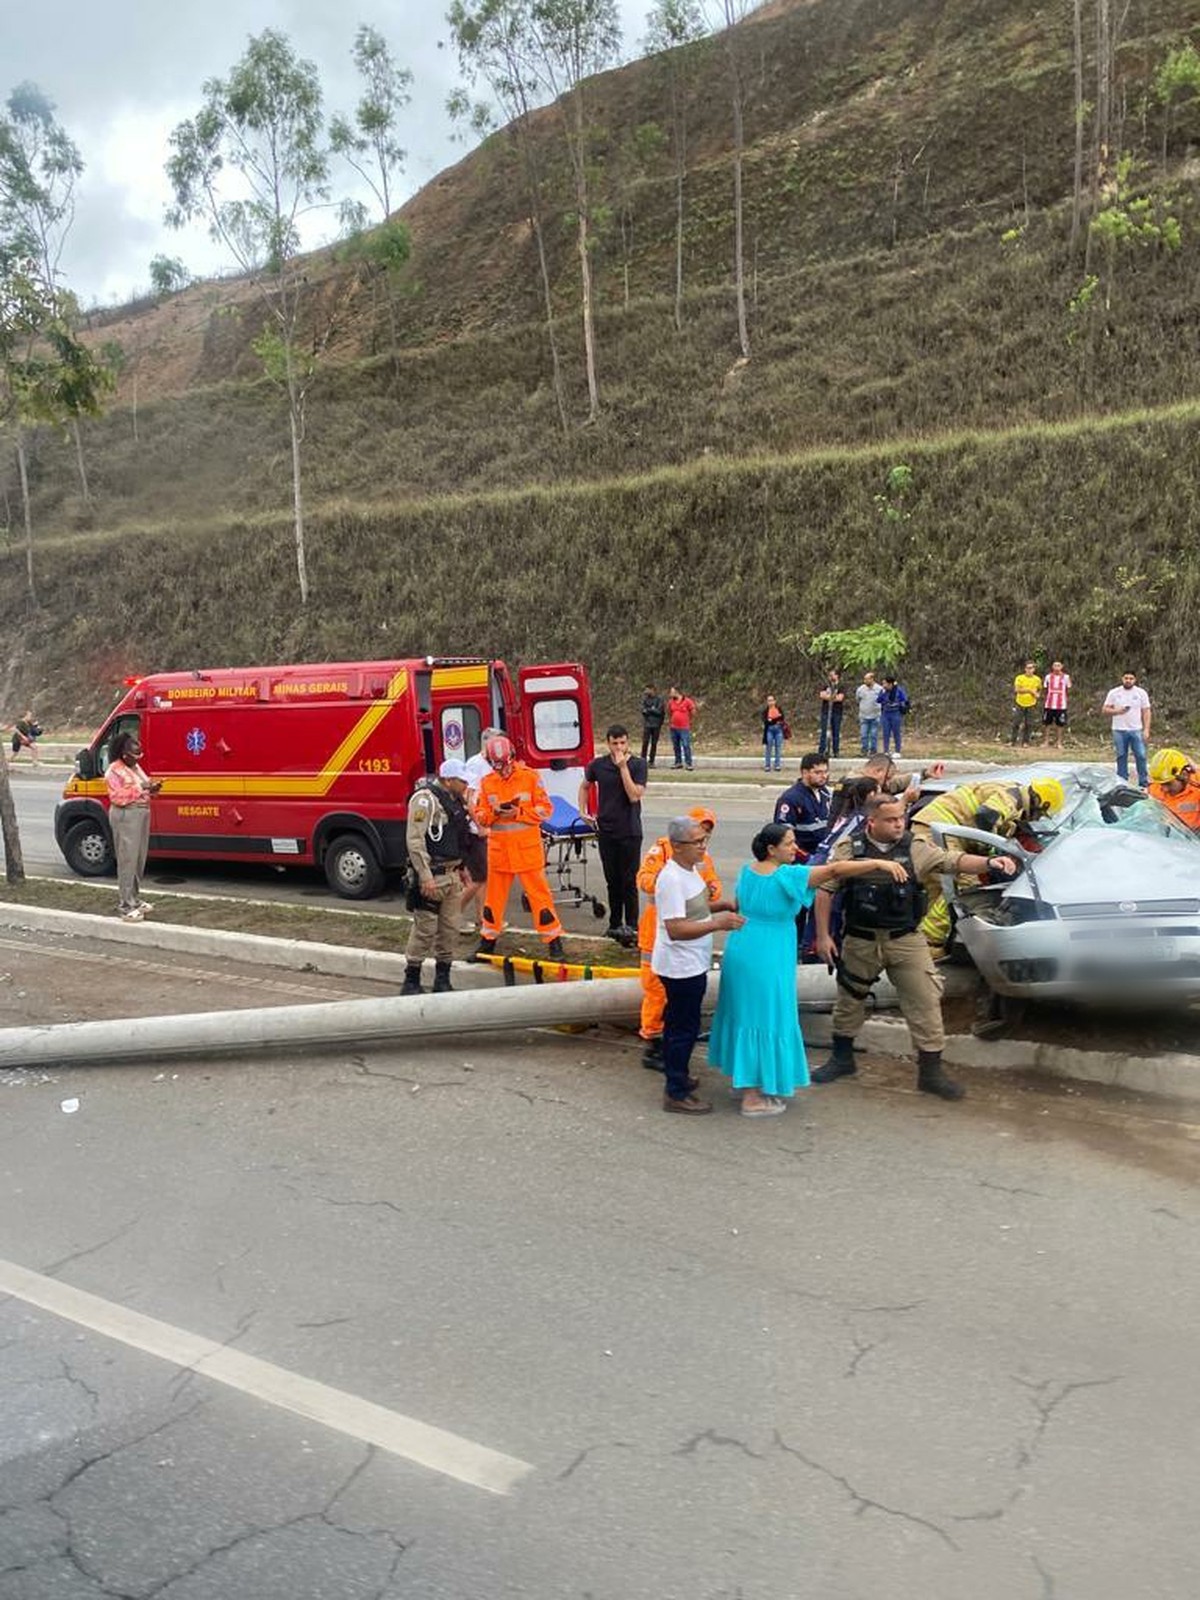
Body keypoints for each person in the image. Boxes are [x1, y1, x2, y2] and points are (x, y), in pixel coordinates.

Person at [812, 794, 1019, 1100]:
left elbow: (953, 861)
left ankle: (930, 1073)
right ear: (872, 822)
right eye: (892, 819)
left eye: (902, 817)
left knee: (925, 1000)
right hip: (860, 939)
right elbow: (826, 889)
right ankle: (842, 1059)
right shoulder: (850, 849)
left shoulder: (916, 847)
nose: (900, 824)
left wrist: (990, 862)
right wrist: (823, 936)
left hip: (906, 940)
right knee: (849, 1000)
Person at [709, 822, 910, 1117]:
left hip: (743, 946)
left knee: (745, 1012)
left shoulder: (747, 871)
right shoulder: (788, 876)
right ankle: (752, 1096)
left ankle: (745, 1080)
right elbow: (834, 871)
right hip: (769, 951)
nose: (795, 848)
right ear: (771, 849)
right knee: (767, 1016)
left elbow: (741, 903)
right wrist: (878, 862)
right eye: (789, 844)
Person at [651, 816, 744, 1114]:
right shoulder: (671, 879)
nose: (703, 847)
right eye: (697, 842)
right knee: (683, 1028)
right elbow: (677, 928)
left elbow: (695, 908)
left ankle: (677, 1075)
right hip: (680, 967)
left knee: (679, 1024)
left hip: (692, 962)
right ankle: (675, 1092)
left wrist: (721, 906)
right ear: (677, 846)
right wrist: (718, 923)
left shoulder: (690, 871)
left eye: (705, 840)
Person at [910, 776, 1065, 950]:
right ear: (1040, 804)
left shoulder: (1012, 795)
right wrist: (989, 852)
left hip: (934, 826)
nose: (1035, 819)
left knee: (940, 889)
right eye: (1040, 814)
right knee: (963, 888)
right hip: (943, 829)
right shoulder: (1012, 797)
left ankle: (926, 942)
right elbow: (986, 816)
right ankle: (929, 943)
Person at [636, 806, 723, 1070]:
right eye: (700, 831)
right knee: (655, 991)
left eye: (707, 832)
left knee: (676, 1004)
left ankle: (671, 1046)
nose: (704, 838)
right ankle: (652, 1042)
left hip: (688, 937)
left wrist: (712, 891)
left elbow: (713, 888)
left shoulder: (701, 857)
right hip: (657, 931)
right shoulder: (665, 852)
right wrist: (672, 882)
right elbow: (644, 879)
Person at [472, 734, 565, 960]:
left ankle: (554, 941)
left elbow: (546, 810)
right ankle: (487, 942)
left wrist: (519, 813)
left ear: (512, 757)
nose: (501, 771)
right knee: (493, 900)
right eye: (497, 767)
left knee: (540, 898)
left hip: (526, 851)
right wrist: (494, 813)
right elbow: (480, 816)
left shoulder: (530, 778)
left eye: (504, 766)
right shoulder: (487, 782)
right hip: (500, 853)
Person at [402, 758, 472, 995]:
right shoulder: (425, 800)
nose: (465, 785)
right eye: (462, 781)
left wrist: (462, 868)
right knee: (425, 929)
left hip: (452, 875)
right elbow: (415, 839)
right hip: (433, 876)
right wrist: (424, 875)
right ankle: (411, 979)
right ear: (448, 779)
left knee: (450, 929)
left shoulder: (455, 801)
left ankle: (443, 978)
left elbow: (458, 837)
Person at [579, 723, 647, 946]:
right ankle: (615, 924)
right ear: (607, 743)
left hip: (629, 831)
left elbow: (634, 796)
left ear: (628, 743)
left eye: (622, 743)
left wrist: (623, 768)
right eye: (614, 743)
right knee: (612, 881)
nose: (619, 747)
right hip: (606, 830)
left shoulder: (637, 765)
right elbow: (585, 785)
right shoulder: (597, 765)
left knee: (629, 881)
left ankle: (632, 926)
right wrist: (583, 811)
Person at [104, 730, 162, 922]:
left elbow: (143, 787)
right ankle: (125, 905)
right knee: (127, 859)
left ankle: (134, 899)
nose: (138, 758)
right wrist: (143, 788)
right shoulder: (114, 770)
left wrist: (153, 788)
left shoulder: (135, 768)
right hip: (126, 815)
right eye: (135, 754)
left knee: (138, 859)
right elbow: (117, 797)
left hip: (141, 812)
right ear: (124, 754)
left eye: (140, 754)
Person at [460, 727, 501, 932]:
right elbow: (470, 799)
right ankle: (452, 917)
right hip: (474, 830)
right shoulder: (475, 765)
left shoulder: (491, 763)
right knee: (477, 879)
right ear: (487, 743)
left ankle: (483, 919)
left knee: (484, 877)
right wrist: (480, 826)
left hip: (485, 827)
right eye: (497, 743)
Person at [773, 751, 831, 860]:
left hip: (823, 857)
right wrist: (808, 859)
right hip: (801, 862)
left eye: (825, 772)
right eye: (817, 772)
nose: (823, 776)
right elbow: (783, 838)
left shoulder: (825, 793)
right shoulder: (790, 799)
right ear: (804, 773)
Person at [1102, 671, 1151, 788]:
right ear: (1122, 678)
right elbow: (1104, 709)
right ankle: (1122, 782)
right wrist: (1117, 711)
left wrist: (1146, 729)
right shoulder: (1114, 692)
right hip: (1119, 730)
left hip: (1136, 729)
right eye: (1126, 678)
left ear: (1135, 680)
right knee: (1121, 755)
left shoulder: (1141, 693)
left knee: (1141, 755)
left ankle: (1143, 782)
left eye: (1131, 678)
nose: (1128, 680)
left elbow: (1146, 711)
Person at [1147, 749, 1200, 829]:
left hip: (1193, 837)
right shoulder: (1153, 789)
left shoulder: (1197, 787)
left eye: (1168, 784)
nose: (1164, 789)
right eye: (1161, 784)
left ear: (1184, 775)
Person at [1010, 659, 1042, 746]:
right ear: (1025, 669)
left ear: (1034, 669)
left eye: (1032, 668)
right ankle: (1012, 741)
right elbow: (1017, 689)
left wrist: (1037, 694)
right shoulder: (1019, 678)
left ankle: (1025, 742)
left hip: (1031, 703)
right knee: (1016, 722)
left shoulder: (1037, 679)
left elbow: (1039, 689)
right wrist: (1029, 690)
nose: (1030, 670)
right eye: (1028, 668)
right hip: (1020, 702)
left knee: (1029, 723)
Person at [1042, 661, 1071, 751]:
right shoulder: (1048, 677)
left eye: (1058, 665)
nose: (1057, 667)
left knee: (1060, 724)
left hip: (1061, 705)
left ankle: (1059, 742)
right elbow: (1045, 689)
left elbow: (1068, 688)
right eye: (1055, 665)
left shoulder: (1066, 677)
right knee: (1047, 723)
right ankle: (1046, 741)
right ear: (1052, 666)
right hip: (1049, 704)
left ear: (1062, 666)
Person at [667, 686, 698, 770]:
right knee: (676, 745)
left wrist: (689, 720)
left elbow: (693, 711)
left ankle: (688, 763)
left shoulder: (687, 701)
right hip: (674, 727)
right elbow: (669, 712)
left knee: (685, 744)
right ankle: (678, 762)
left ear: (677, 692)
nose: (670, 693)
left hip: (684, 727)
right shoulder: (671, 702)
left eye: (672, 691)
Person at [817, 669, 844, 758]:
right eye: (830, 675)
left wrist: (829, 697)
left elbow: (840, 698)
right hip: (825, 711)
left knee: (836, 732)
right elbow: (822, 695)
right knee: (824, 732)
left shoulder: (840, 686)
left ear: (837, 676)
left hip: (836, 712)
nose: (830, 677)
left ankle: (836, 751)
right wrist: (832, 697)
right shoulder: (826, 685)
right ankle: (822, 751)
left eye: (832, 675)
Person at [879, 675, 909, 755]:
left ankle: (897, 751)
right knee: (886, 732)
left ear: (890, 684)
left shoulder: (899, 690)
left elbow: (904, 700)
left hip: (896, 713)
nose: (883, 685)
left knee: (896, 732)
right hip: (886, 714)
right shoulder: (883, 691)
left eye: (885, 684)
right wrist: (882, 694)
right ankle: (886, 750)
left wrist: (899, 704)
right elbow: (878, 700)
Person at [855, 671, 883, 755]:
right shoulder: (860, 689)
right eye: (864, 679)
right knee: (863, 735)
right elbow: (857, 699)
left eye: (867, 679)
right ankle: (864, 750)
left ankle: (873, 751)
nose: (865, 681)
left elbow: (883, 700)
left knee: (874, 735)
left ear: (872, 679)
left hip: (875, 715)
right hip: (864, 715)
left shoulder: (879, 689)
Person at [760, 694, 787, 772]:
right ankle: (767, 765)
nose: (770, 702)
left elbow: (781, 718)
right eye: (769, 701)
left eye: (772, 700)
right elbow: (766, 721)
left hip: (778, 730)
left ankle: (777, 765)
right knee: (768, 747)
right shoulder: (765, 711)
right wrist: (772, 719)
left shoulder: (779, 709)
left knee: (778, 747)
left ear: (775, 701)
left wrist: (773, 719)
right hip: (769, 730)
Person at [639, 687, 665, 766]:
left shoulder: (659, 700)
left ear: (652, 690)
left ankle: (651, 761)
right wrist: (652, 709)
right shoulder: (645, 700)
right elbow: (643, 711)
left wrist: (649, 710)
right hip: (647, 724)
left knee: (654, 743)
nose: (646, 692)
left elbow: (659, 711)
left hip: (656, 725)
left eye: (647, 690)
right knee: (645, 742)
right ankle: (643, 760)